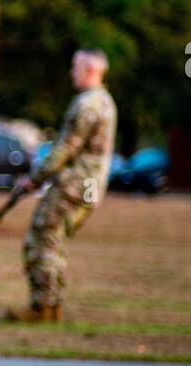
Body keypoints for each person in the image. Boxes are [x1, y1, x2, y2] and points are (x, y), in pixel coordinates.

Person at [9, 49, 117, 323]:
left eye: (75, 67)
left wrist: (35, 179)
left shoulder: (86, 104)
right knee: (53, 241)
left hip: (73, 184)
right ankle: (50, 305)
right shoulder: (105, 102)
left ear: (90, 70)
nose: (72, 72)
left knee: (42, 239)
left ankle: (43, 306)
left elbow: (65, 149)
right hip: (88, 185)